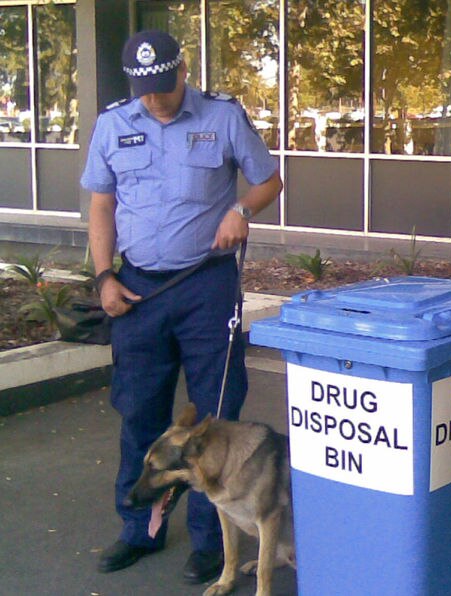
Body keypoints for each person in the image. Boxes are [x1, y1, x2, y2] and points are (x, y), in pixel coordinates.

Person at [80, 30, 282, 584]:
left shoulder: (222, 116)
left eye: (163, 88)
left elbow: (269, 180)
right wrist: (103, 278)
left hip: (206, 287)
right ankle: (136, 530)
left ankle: (208, 539)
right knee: (139, 411)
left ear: (183, 71)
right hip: (139, 291)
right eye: (144, 90)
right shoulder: (113, 124)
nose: (155, 100)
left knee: (215, 412)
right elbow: (102, 206)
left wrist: (241, 207)